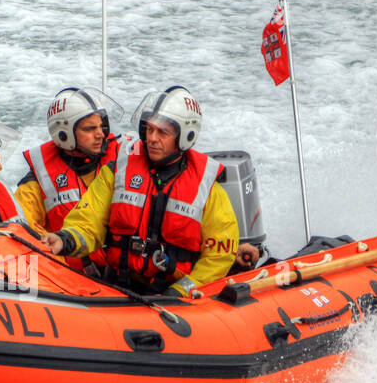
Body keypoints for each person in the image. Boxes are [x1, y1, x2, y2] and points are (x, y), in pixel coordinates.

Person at [40, 85, 239, 297]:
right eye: (149, 129)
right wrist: (64, 239)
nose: (152, 138)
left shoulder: (207, 187)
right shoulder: (118, 171)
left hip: (175, 297)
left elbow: (218, 256)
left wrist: (180, 293)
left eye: (163, 132)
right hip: (118, 287)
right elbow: (87, 222)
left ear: (185, 135)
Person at [14, 86, 121, 274]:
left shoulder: (124, 160)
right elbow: (23, 229)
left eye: (101, 127)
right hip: (72, 279)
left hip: (126, 274)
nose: (101, 135)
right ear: (64, 134)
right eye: (90, 129)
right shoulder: (37, 180)